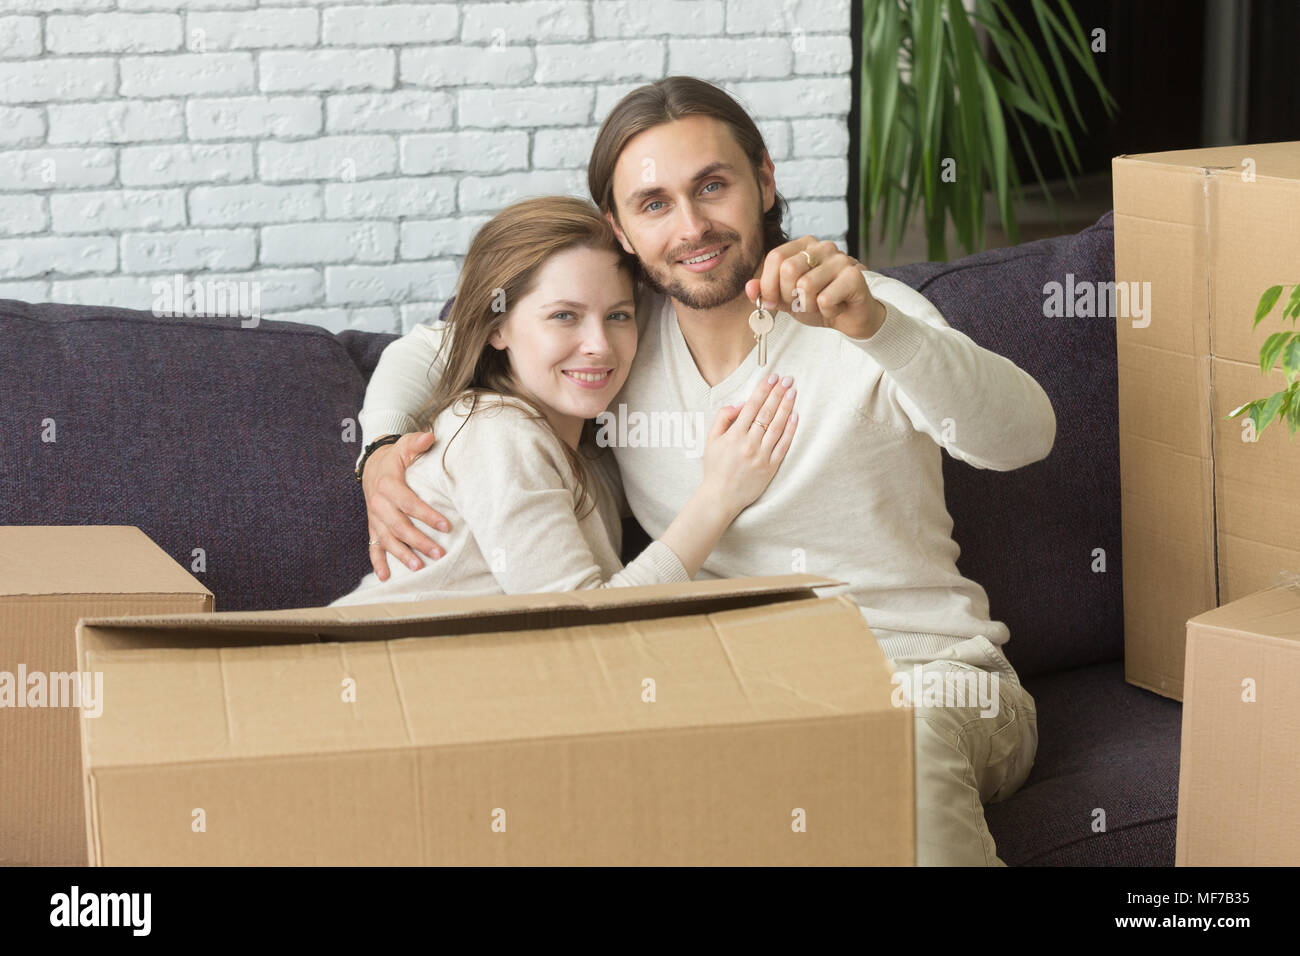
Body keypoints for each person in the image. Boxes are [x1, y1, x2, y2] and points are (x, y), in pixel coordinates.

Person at [353, 77, 1054, 866]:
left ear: (764, 180)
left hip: (932, 681)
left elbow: (1023, 436)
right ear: (619, 228)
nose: (691, 227)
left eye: (711, 186)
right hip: (741, 698)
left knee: (899, 741)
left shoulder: (862, 312)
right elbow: (433, 344)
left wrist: (877, 329)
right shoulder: (616, 341)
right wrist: (381, 449)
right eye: (654, 204)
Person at [332, 195, 798, 606]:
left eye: (618, 315)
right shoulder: (496, 431)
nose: (598, 344)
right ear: (496, 328)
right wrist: (718, 498)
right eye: (563, 316)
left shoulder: (588, 452)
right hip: (368, 673)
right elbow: (580, 624)